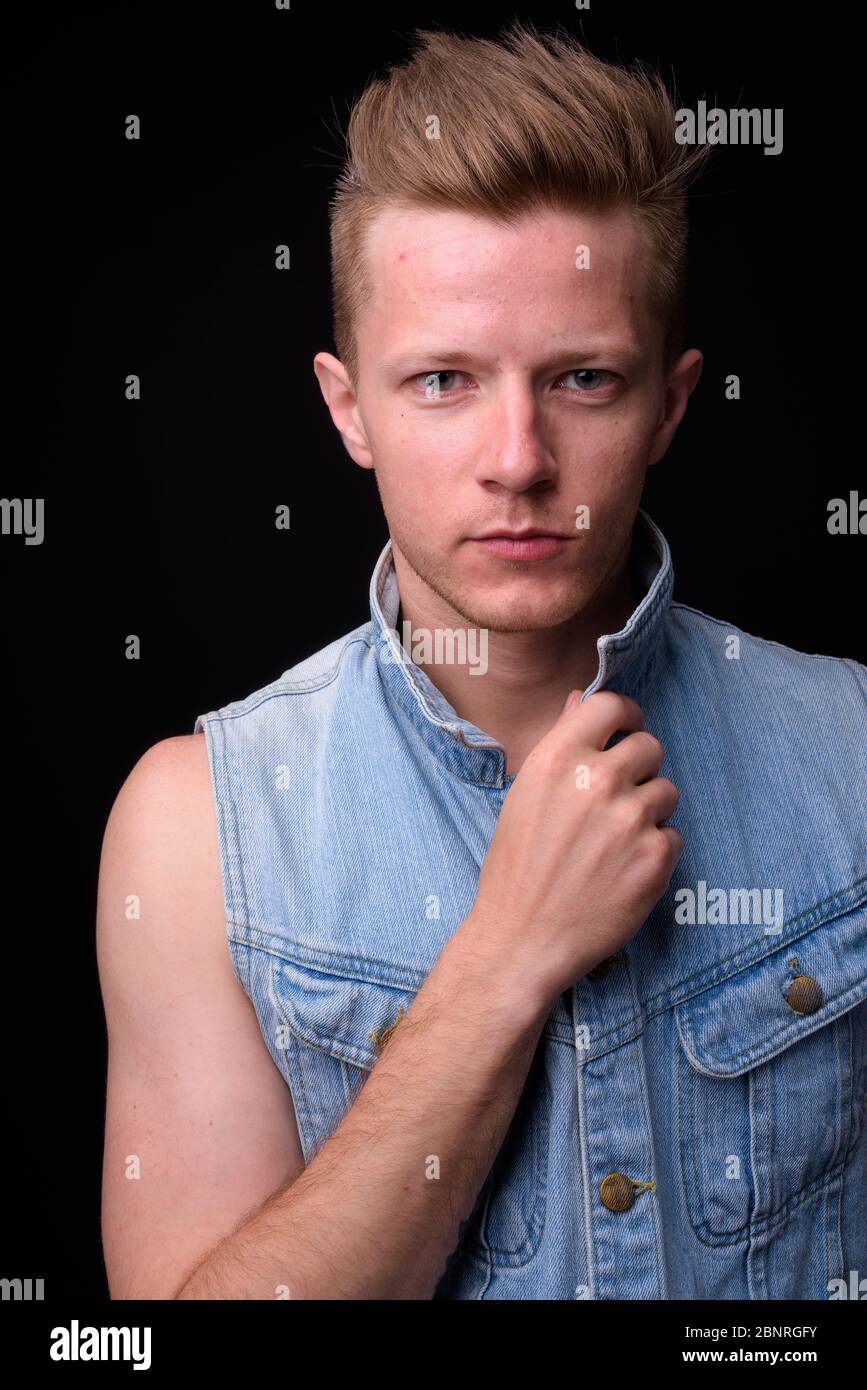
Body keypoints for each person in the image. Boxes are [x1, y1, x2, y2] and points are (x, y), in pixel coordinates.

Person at [97, 22, 867, 1300]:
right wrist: (506, 954)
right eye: (444, 379)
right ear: (350, 409)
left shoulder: (852, 752)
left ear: (672, 403)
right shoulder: (196, 829)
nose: (518, 458)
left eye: (582, 378)